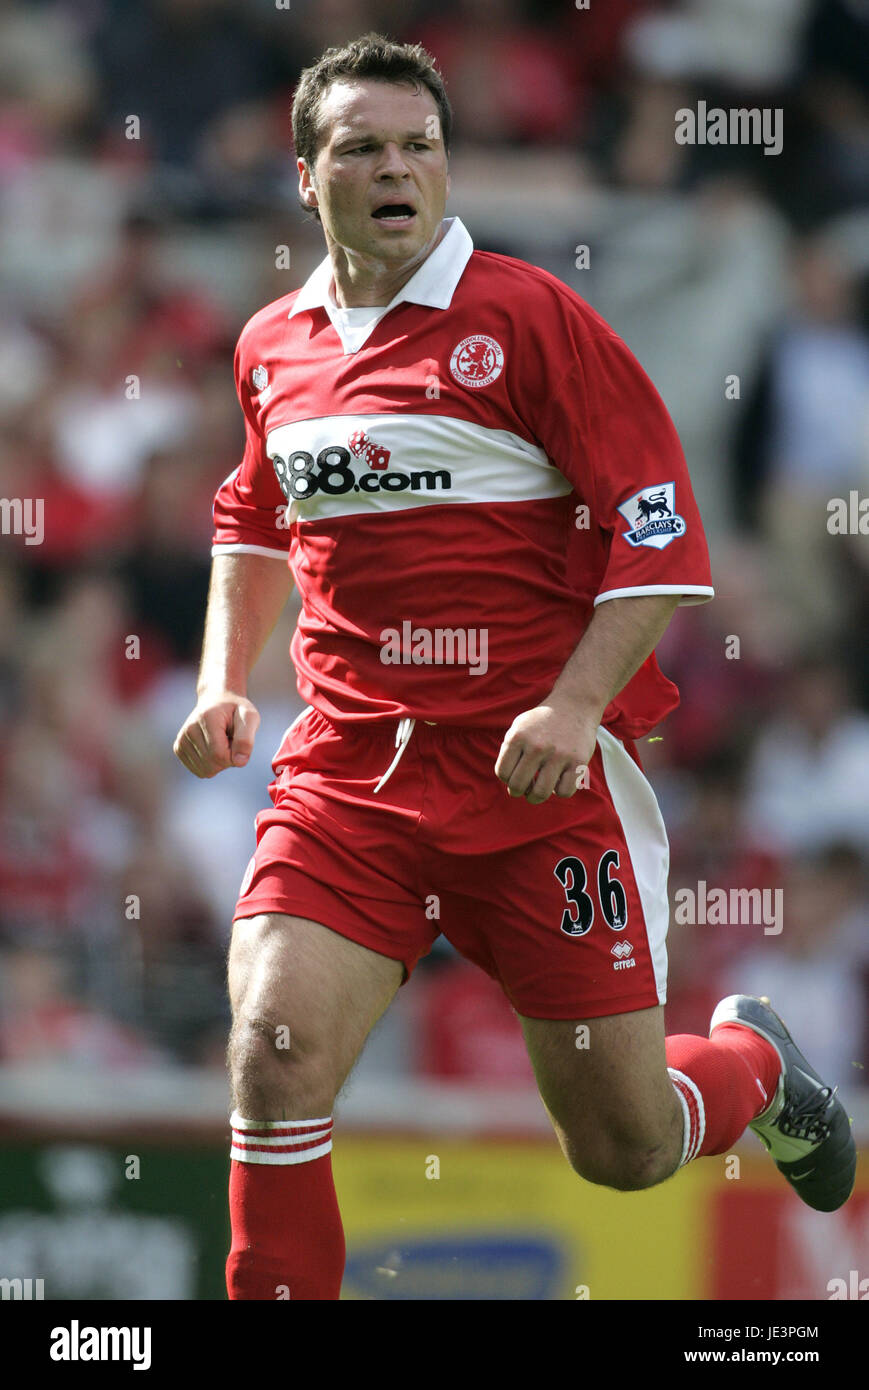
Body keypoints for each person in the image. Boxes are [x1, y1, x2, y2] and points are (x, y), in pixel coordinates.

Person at [173, 34, 856, 1301]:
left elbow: (659, 533)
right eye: (363, 147)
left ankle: (753, 1069)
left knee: (623, 1146)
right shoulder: (274, 344)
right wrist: (225, 675)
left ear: (446, 164)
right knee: (271, 1056)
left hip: (532, 788)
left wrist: (572, 702)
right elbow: (253, 517)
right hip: (345, 779)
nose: (396, 169)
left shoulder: (528, 318)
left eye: (418, 146)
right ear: (307, 170)